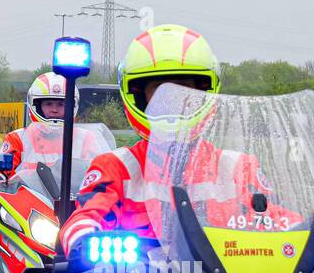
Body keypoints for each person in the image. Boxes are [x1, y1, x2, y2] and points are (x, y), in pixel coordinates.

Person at [57, 24, 222, 253]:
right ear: (139, 97)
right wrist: (82, 240)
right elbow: (85, 217)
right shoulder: (116, 167)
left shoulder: (237, 168)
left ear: (203, 93)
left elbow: (276, 221)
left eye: (182, 87)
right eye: (158, 88)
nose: (171, 97)